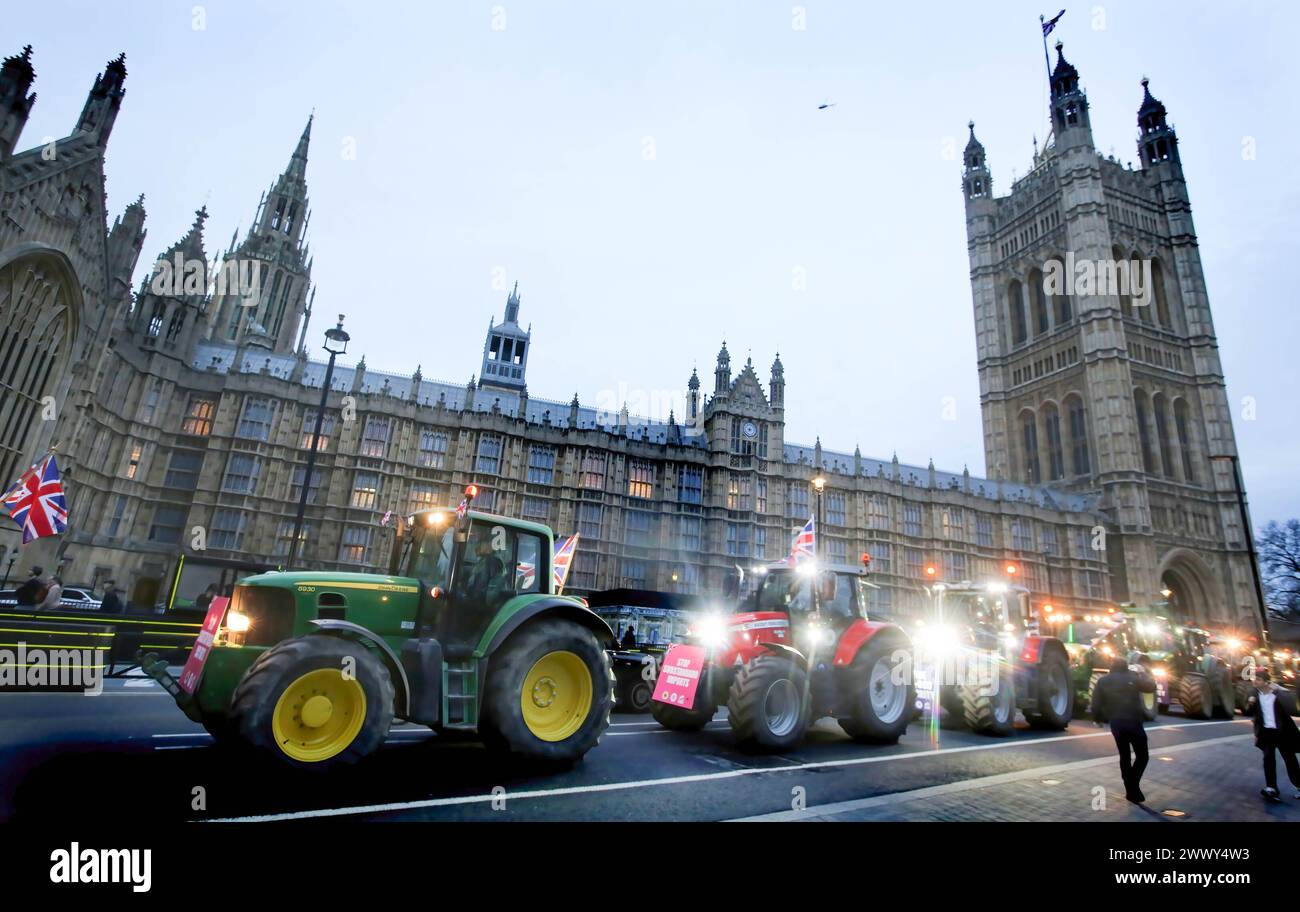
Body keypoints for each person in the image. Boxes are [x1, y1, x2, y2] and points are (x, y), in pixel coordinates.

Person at [1091, 655, 1157, 803]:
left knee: (1124, 756)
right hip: (1134, 722)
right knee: (1142, 756)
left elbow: (1095, 703)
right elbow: (1151, 687)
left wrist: (1097, 719)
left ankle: (1130, 787)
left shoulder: (1103, 681)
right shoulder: (1133, 677)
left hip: (1116, 724)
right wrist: (1143, 673)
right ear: (1126, 666)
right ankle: (1133, 785)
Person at [1246, 667, 1300, 802]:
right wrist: (1250, 702)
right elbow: (1250, 712)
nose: (1255, 681)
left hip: (1282, 733)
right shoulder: (1255, 694)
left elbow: (1292, 706)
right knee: (1268, 760)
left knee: (1290, 760)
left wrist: (1280, 691)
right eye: (1254, 679)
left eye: (1258, 679)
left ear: (1266, 682)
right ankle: (1271, 788)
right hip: (1266, 732)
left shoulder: (1277, 694)